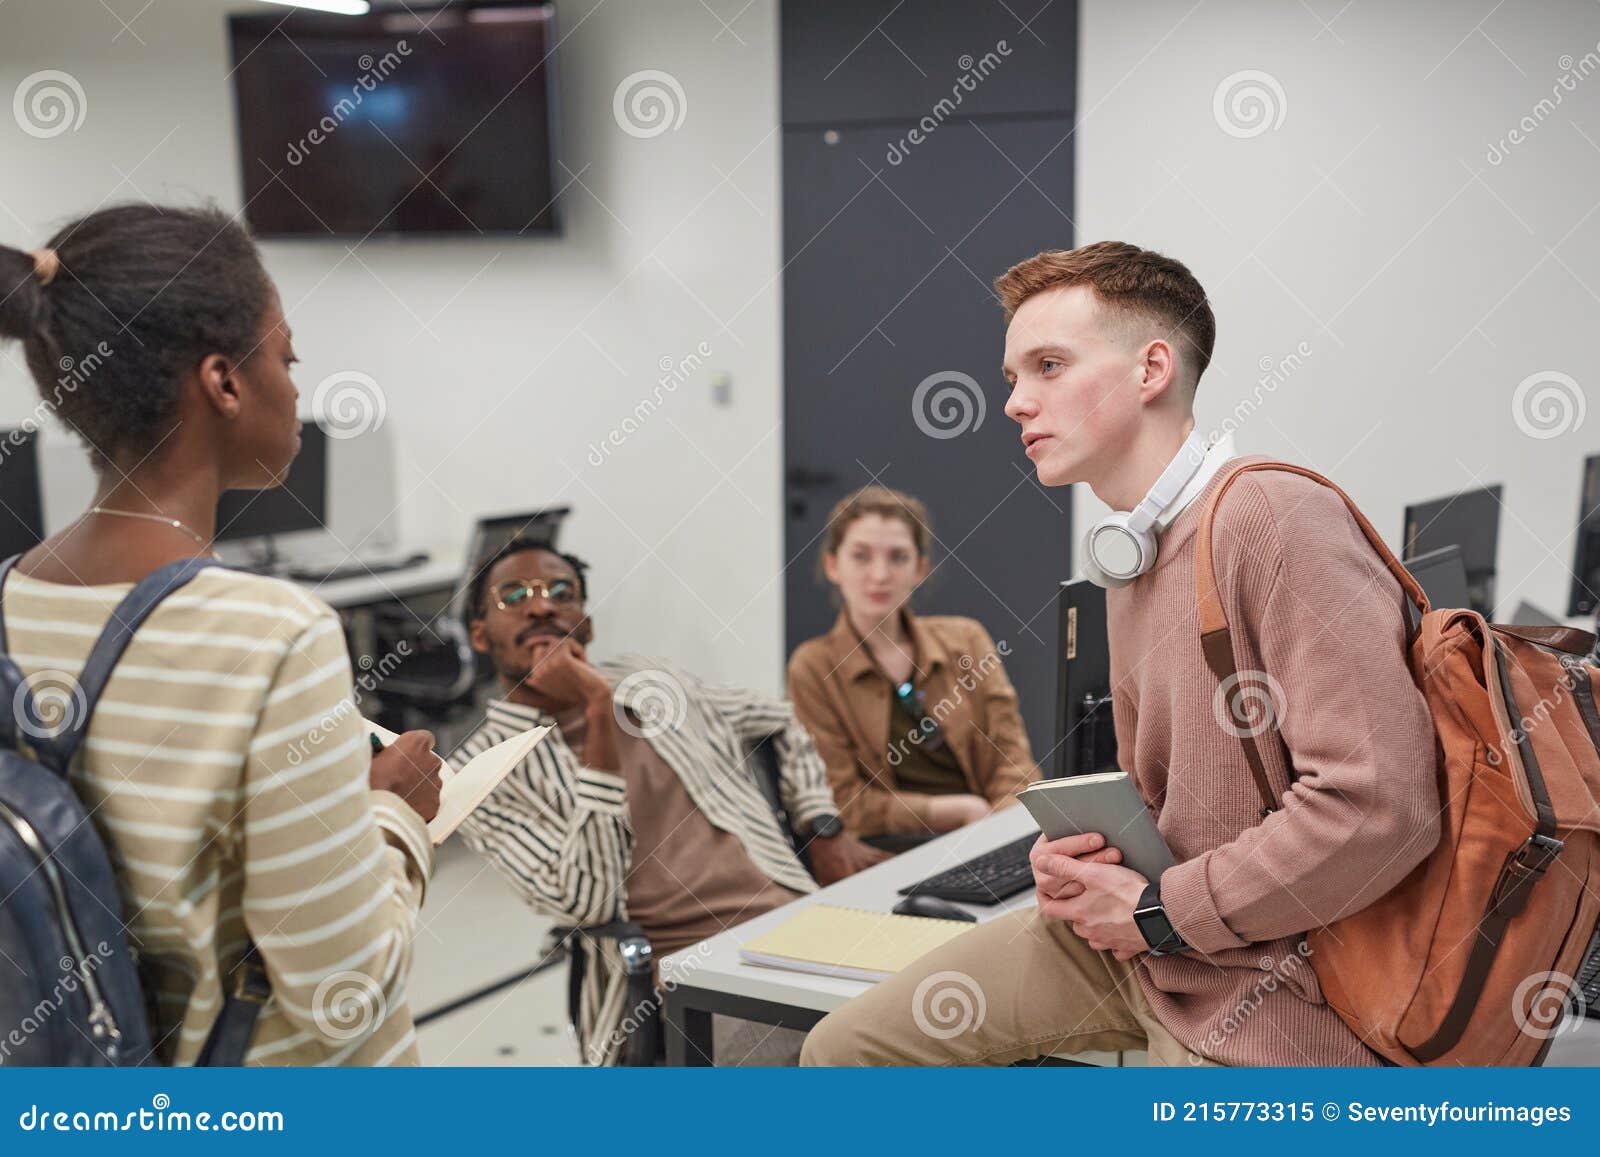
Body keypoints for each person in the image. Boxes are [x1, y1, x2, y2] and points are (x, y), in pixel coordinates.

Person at [801, 241, 1440, 1067]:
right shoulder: (1131, 553)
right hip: (1157, 942)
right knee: (843, 1051)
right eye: (1012, 377)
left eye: (1049, 366)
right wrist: (1084, 854)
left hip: (1276, 983)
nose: (1014, 402)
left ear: (1151, 370)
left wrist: (1156, 909)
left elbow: (1379, 809)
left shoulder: (1273, 516)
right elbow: (1169, 795)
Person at [0, 205, 442, 1065]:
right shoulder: (277, 635)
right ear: (223, 383)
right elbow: (344, 995)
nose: (298, 389)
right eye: (286, 359)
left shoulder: (10, 599)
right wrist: (395, 813)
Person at [453, 536, 884, 1065]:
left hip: (794, 920)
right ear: (480, 635)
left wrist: (821, 827)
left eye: (561, 592)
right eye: (514, 595)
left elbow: (779, 717)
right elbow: (586, 902)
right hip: (689, 976)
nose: (541, 606)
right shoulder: (480, 773)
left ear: (586, 623)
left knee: (935, 1010)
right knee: (825, 1058)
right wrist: (596, 710)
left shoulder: (649, 682)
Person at [787, 486, 1038, 846]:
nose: (879, 574)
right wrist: (956, 810)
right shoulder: (813, 666)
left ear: (920, 568)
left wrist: (1001, 836)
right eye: (861, 556)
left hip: (990, 834)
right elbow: (843, 799)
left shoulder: (967, 640)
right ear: (832, 565)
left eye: (898, 557)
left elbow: (1013, 765)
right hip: (893, 850)